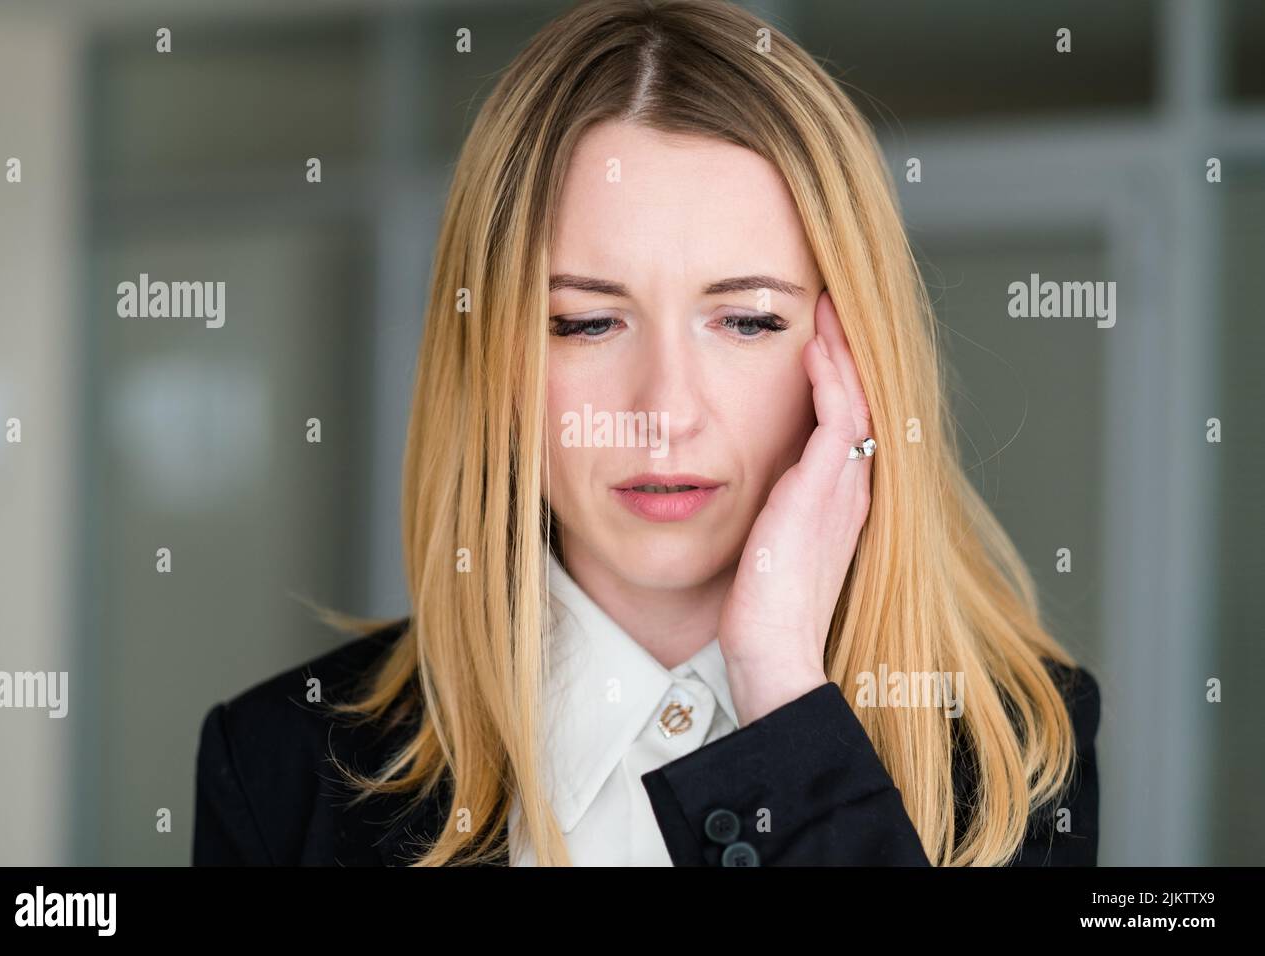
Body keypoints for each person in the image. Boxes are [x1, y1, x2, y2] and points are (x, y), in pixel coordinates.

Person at [193, 0, 1101, 867]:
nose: (665, 410)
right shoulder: (277, 763)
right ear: (489, 357)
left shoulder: (1008, 746)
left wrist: (784, 688)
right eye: (587, 323)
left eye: (746, 321)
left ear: (855, 357)